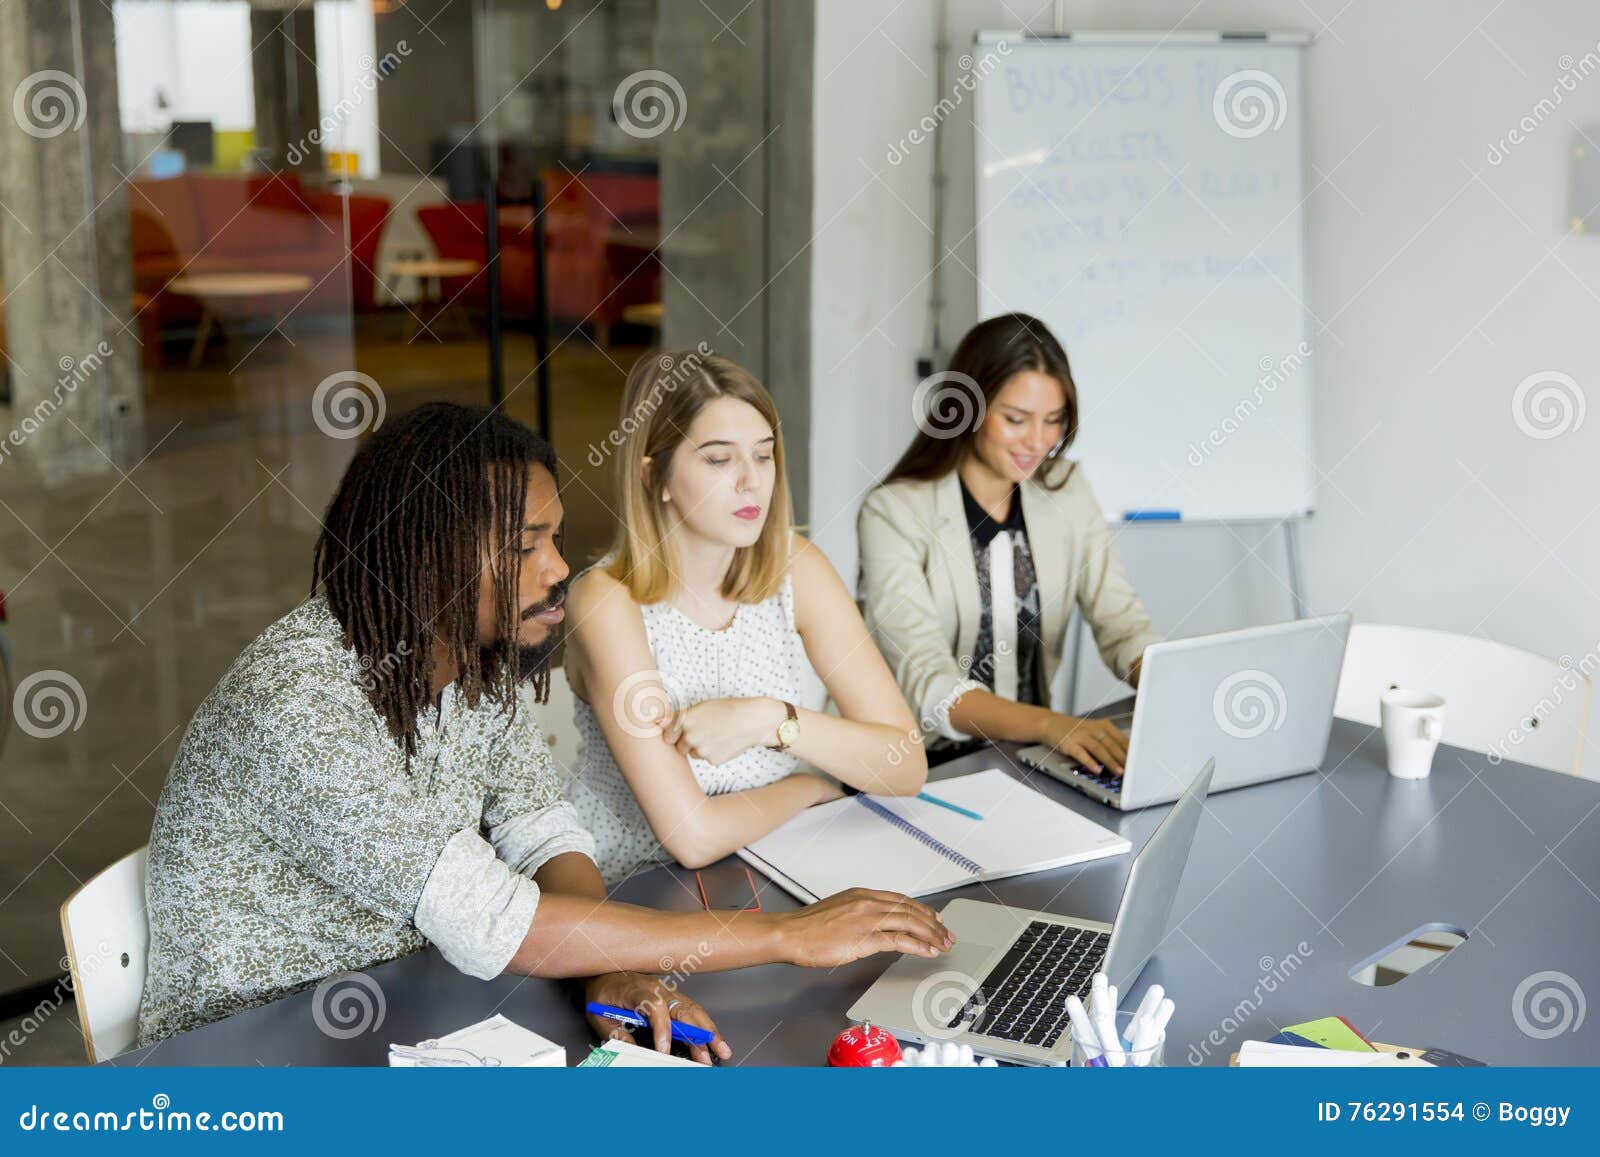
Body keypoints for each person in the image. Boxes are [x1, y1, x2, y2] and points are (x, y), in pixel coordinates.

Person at [138, 402, 952, 1059]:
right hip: (243, 1057)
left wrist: (615, 968)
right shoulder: (300, 702)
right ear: (429, 554)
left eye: (554, 537)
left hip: (407, 1008)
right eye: (526, 546)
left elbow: (538, 828)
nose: (558, 567)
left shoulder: (468, 654)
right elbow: (492, 914)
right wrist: (784, 934)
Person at [565, 351, 928, 886]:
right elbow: (692, 837)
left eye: (763, 456)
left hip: (771, 861)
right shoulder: (606, 601)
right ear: (654, 474)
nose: (751, 481)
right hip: (638, 892)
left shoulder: (796, 566)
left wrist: (768, 719)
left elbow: (905, 765)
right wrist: (808, 786)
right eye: (718, 460)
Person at [858, 313, 1161, 774]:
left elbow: (1121, 623)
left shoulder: (1067, 489)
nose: (1037, 442)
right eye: (1016, 419)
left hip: (1026, 761)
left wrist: (1169, 685)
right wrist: (1049, 725)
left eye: (1054, 421)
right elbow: (931, 687)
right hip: (917, 767)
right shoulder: (894, 513)